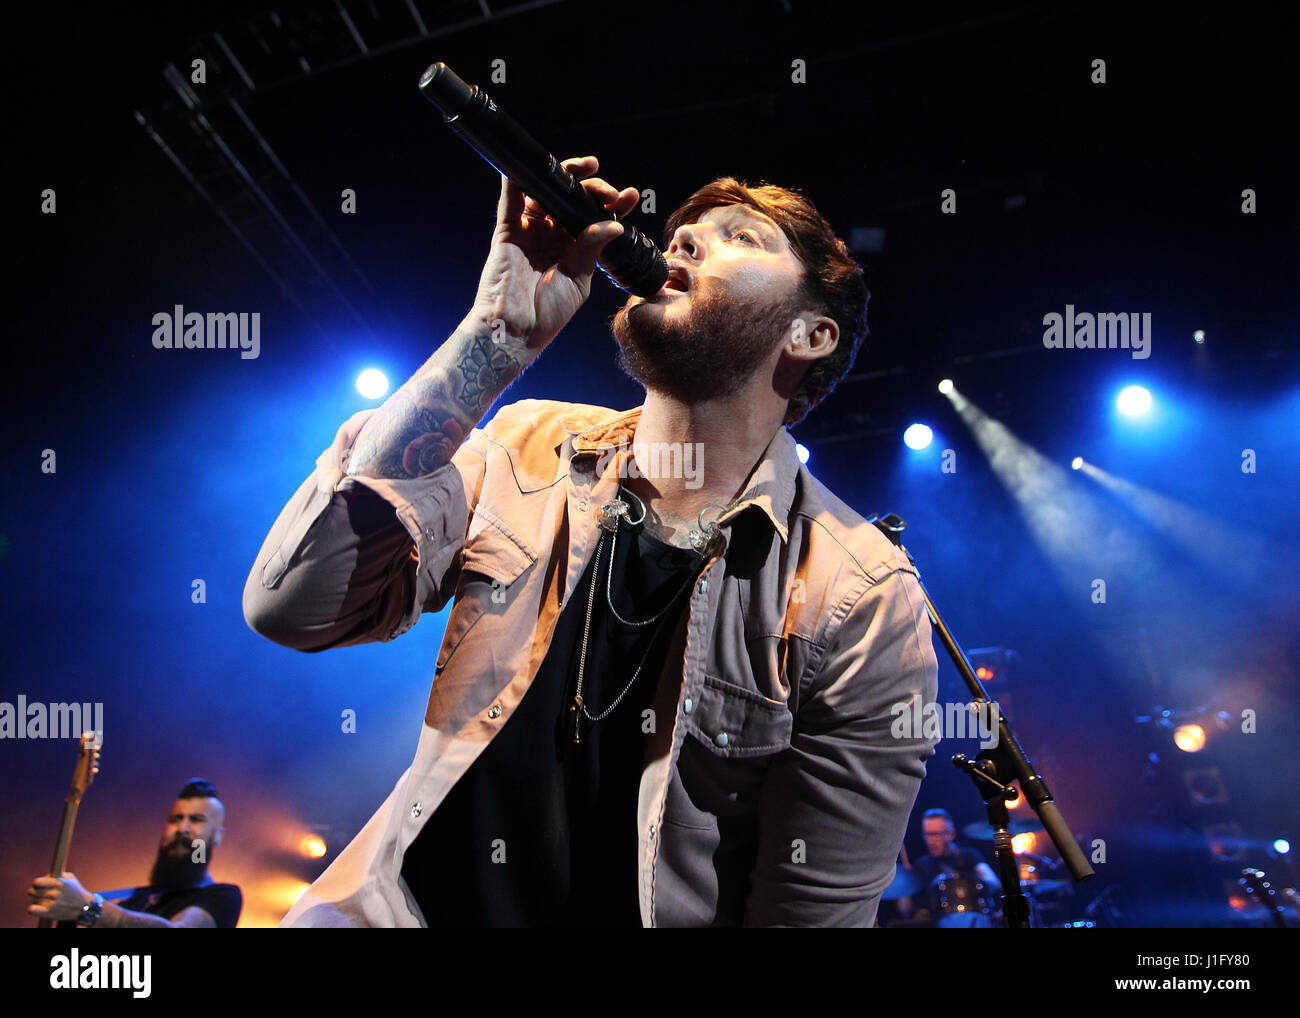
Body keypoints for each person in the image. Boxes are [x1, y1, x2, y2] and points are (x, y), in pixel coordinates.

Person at [244, 156, 939, 927]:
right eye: (681, 235)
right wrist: (496, 336)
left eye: (739, 236)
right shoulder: (522, 444)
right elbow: (293, 610)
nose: (681, 245)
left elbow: (809, 915)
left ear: (810, 333)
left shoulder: (862, 595)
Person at [26, 778, 242, 928]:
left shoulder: (222, 897)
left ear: (217, 837)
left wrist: (88, 908)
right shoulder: (134, 903)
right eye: (175, 819)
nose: (182, 829)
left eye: (196, 820)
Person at [899, 808, 1001, 926]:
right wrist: (904, 883)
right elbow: (905, 911)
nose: (931, 841)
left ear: (951, 834)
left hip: (976, 920)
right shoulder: (921, 866)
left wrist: (970, 881)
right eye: (927, 834)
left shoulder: (969, 856)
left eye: (936, 834)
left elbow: (993, 882)